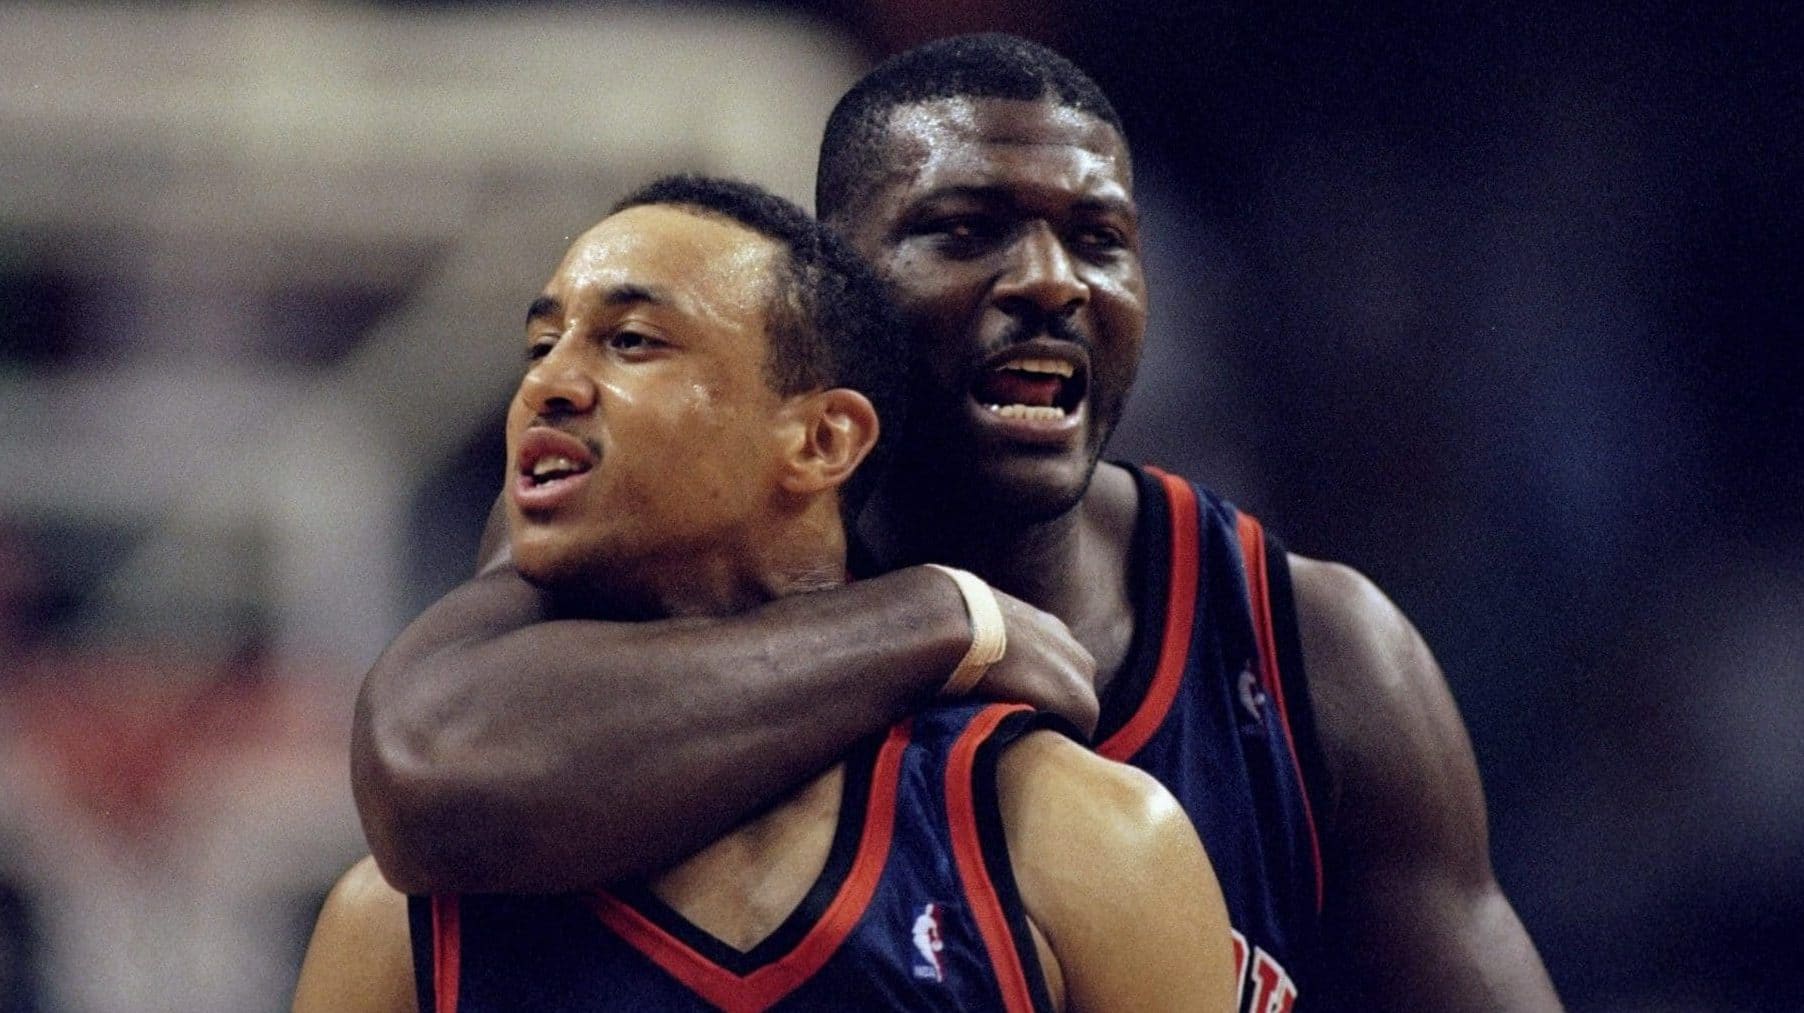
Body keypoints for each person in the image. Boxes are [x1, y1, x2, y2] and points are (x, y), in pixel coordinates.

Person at [351, 35, 1562, 1011]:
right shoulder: (659, 537)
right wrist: (941, 622)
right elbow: (426, 777)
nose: (1051, 280)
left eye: (1100, 240)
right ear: (833, 292)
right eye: (965, 229)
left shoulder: (1313, 646)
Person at [295, 175, 1236, 1011]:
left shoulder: (1081, 842)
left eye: (630, 340)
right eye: (542, 342)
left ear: (822, 441)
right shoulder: (398, 925)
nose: (549, 381)